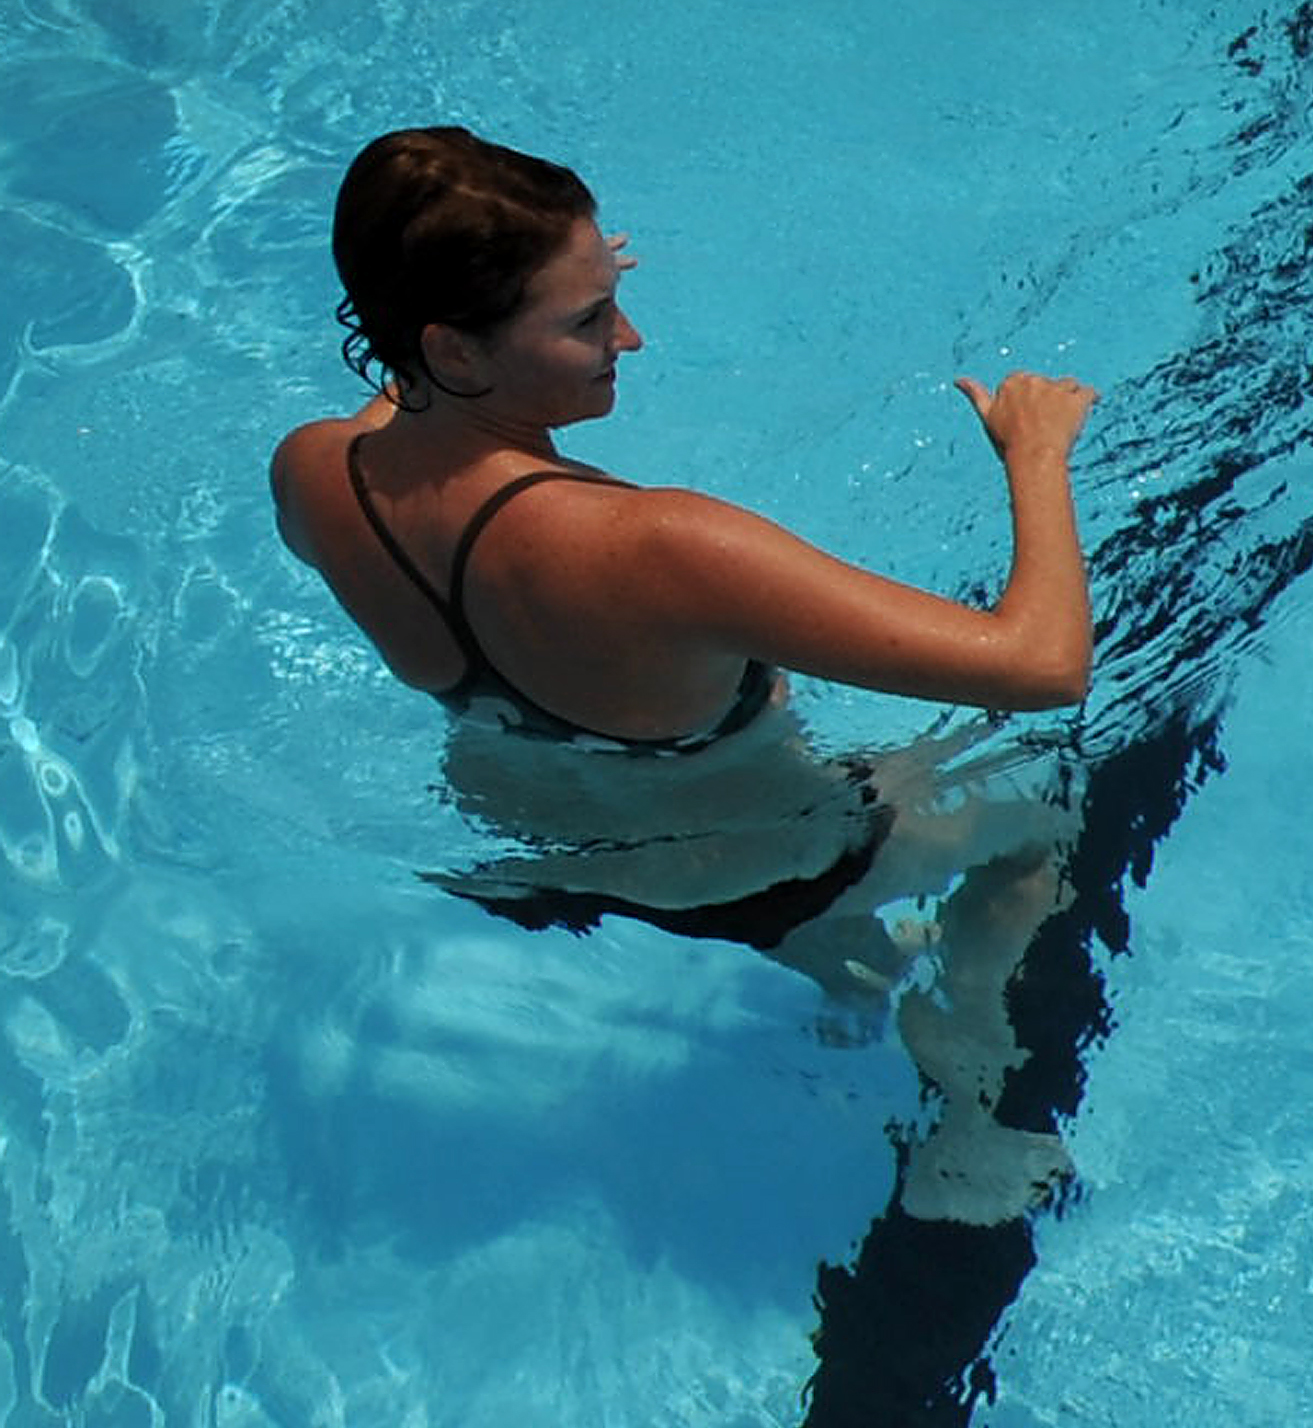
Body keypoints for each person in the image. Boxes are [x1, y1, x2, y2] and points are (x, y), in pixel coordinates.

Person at [269, 126, 1103, 1220]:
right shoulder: (657, 550)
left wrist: (544, 289)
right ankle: (966, 1090)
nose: (632, 334)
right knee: (1041, 804)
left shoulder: (318, 470)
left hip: (551, 841)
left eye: (610, 289)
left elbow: (408, 399)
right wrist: (1034, 455)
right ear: (459, 351)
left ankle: (845, 968)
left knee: (798, 899)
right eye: (584, 320)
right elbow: (1043, 665)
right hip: (772, 860)